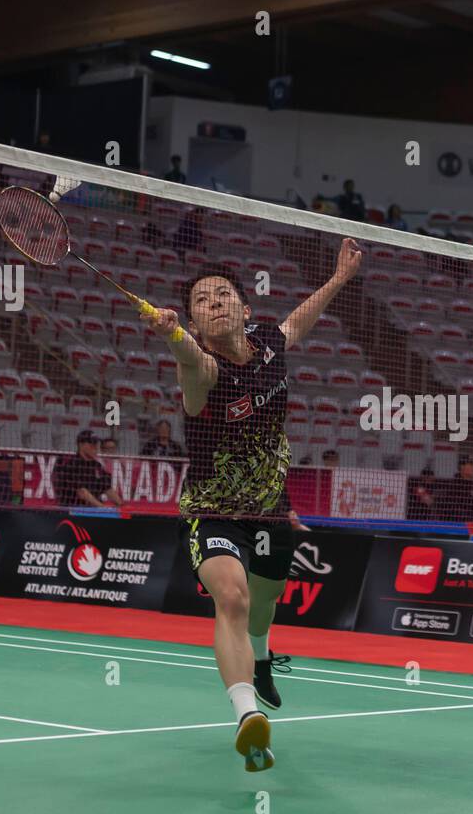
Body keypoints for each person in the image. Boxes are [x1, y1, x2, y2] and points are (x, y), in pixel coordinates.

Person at [139, 239, 362, 772]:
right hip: (211, 510)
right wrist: (172, 335)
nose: (213, 302)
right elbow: (188, 359)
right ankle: (246, 716)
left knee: (263, 604)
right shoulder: (203, 369)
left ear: (245, 309)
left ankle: (261, 663)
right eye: (200, 300)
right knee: (233, 599)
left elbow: (296, 323)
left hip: (268, 507)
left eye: (223, 294)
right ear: (194, 318)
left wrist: (340, 278)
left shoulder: (268, 344)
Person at [53, 430, 124, 508]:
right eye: (91, 443)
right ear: (81, 445)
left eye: (96, 443)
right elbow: (82, 493)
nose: (96, 446)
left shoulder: (97, 466)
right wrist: (103, 508)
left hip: (93, 510)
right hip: (73, 510)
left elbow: (107, 488)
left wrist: (121, 505)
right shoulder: (72, 465)